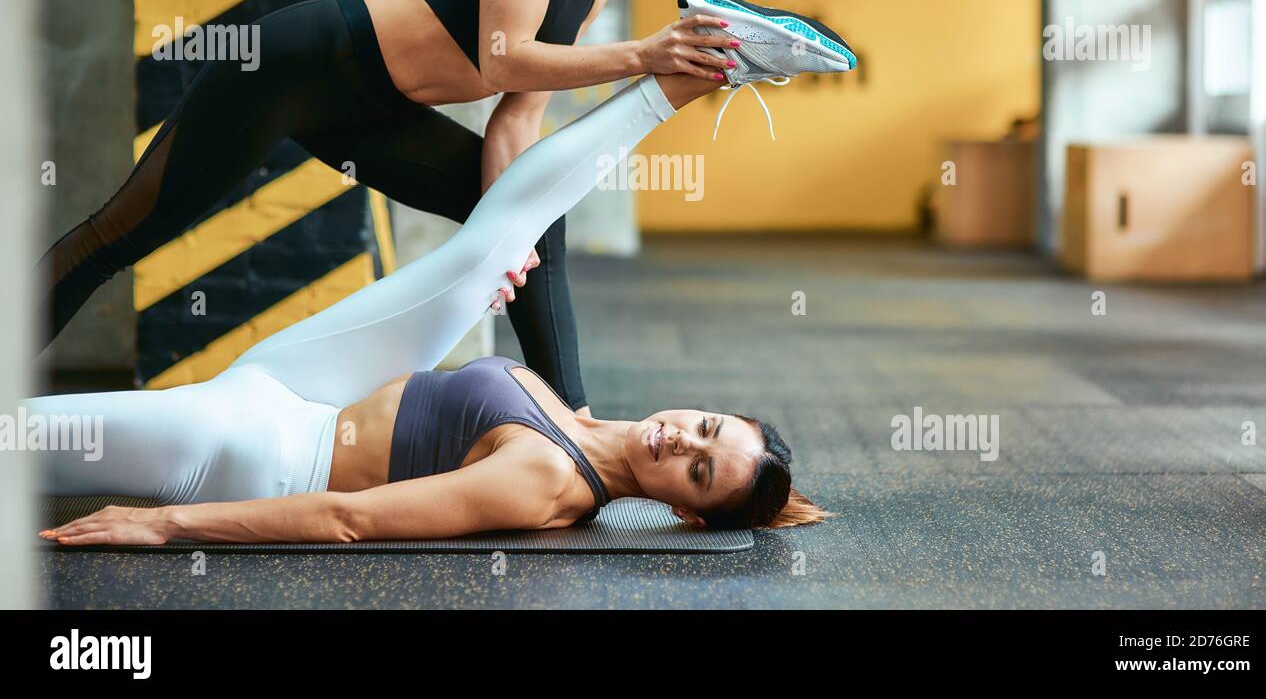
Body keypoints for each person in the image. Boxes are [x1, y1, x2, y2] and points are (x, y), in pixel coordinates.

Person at [35, 0, 764, 417]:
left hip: (377, 109)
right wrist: (642, 56)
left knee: (543, 214)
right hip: (295, 68)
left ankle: (571, 426)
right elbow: (504, 57)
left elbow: (515, 122)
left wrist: (503, 232)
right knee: (116, 235)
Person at [32, 64, 854, 546]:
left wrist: (166, 527)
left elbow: (349, 518)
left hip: (263, 449)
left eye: (698, 471)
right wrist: (478, 298)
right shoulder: (577, 417)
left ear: (680, 508)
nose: (681, 440)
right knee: (488, 251)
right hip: (311, 384)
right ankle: (687, 76)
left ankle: (676, 83)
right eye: (706, 427)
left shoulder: (547, 484)